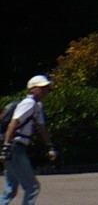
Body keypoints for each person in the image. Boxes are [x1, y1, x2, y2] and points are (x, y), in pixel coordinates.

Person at [2, 75, 56, 205]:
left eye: (47, 88)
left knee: (10, 189)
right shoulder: (29, 103)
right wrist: (6, 146)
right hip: (16, 147)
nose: (46, 91)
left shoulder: (37, 105)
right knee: (32, 187)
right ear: (33, 89)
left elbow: (42, 128)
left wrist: (50, 147)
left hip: (15, 147)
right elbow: (13, 124)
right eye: (43, 88)